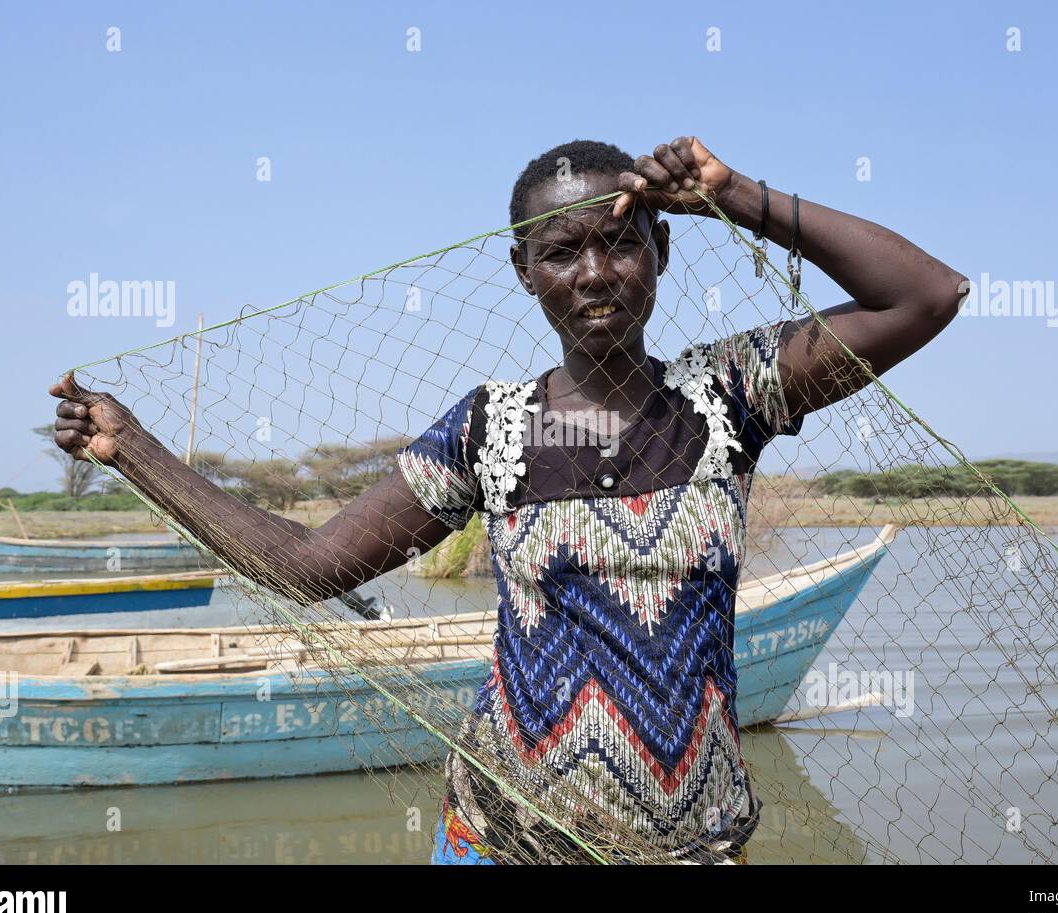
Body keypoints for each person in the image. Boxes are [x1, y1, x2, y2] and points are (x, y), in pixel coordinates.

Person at [51, 136, 966, 864]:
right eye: (562, 251)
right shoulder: (490, 430)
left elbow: (926, 295)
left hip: (689, 842)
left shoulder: (729, 393)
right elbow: (308, 567)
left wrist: (736, 194)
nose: (596, 273)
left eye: (620, 241)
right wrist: (131, 449)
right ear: (524, 271)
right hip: (501, 838)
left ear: (662, 248)